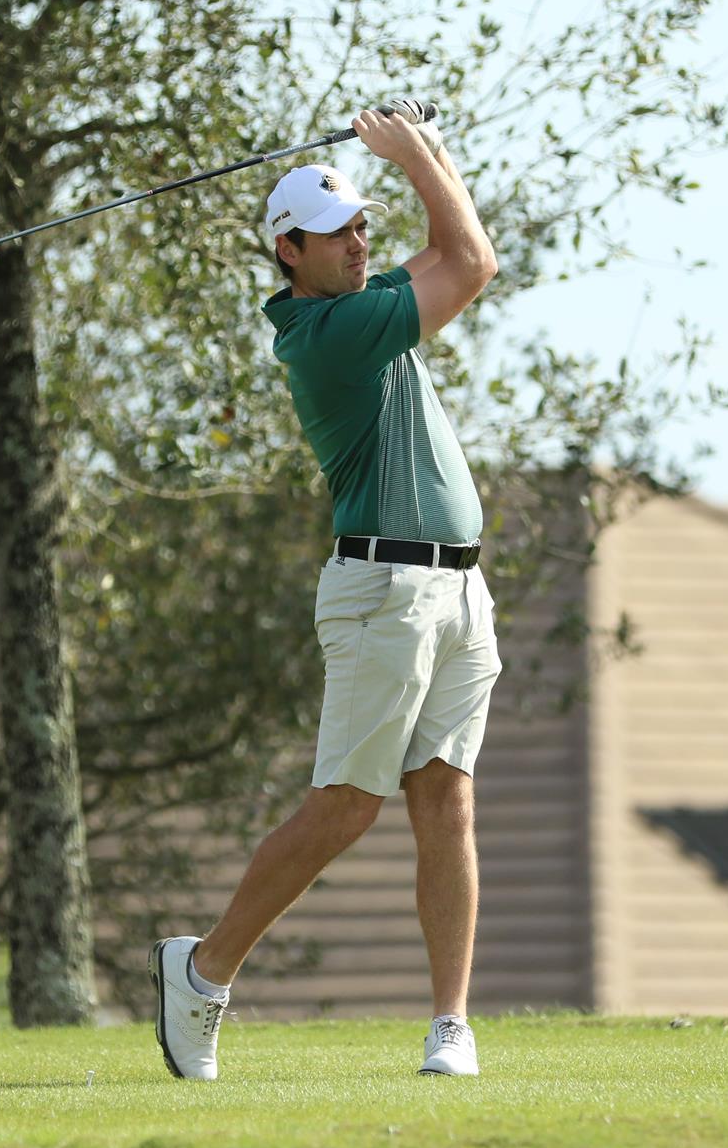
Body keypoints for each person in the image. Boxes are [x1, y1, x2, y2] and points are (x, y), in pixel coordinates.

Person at [151, 99, 502, 1080]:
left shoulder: (361, 303)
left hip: (455, 595)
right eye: (339, 234)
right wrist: (409, 153)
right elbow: (468, 262)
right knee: (346, 808)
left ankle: (448, 1026)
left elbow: (456, 252)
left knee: (446, 799)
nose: (359, 244)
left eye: (360, 228)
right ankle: (204, 971)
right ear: (287, 253)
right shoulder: (328, 336)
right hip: (383, 589)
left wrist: (422, 151)